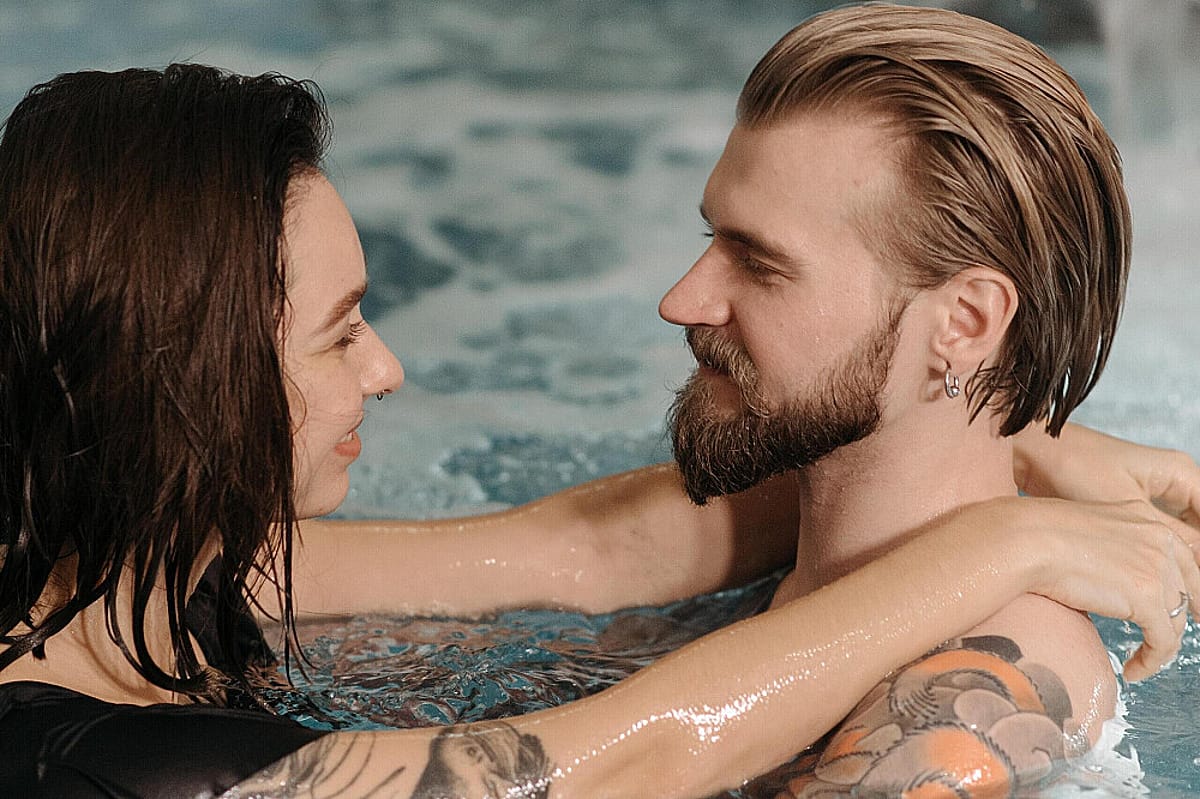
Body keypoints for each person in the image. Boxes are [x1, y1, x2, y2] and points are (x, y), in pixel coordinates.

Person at [0, 59, 1196, 799]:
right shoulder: (131, 775)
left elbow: (585, 551)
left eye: (758, 261)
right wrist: (1003, 547)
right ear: (188, 383)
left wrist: (1017, 434)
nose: (387, 366)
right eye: (339, 331)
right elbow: (635, 759)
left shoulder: (111, 558)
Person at [647, 4, 1200, 796]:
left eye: (759, 264)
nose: (681, 300)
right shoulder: (760, 535)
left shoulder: (964, 714)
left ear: (965, 324)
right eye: (713, 241)